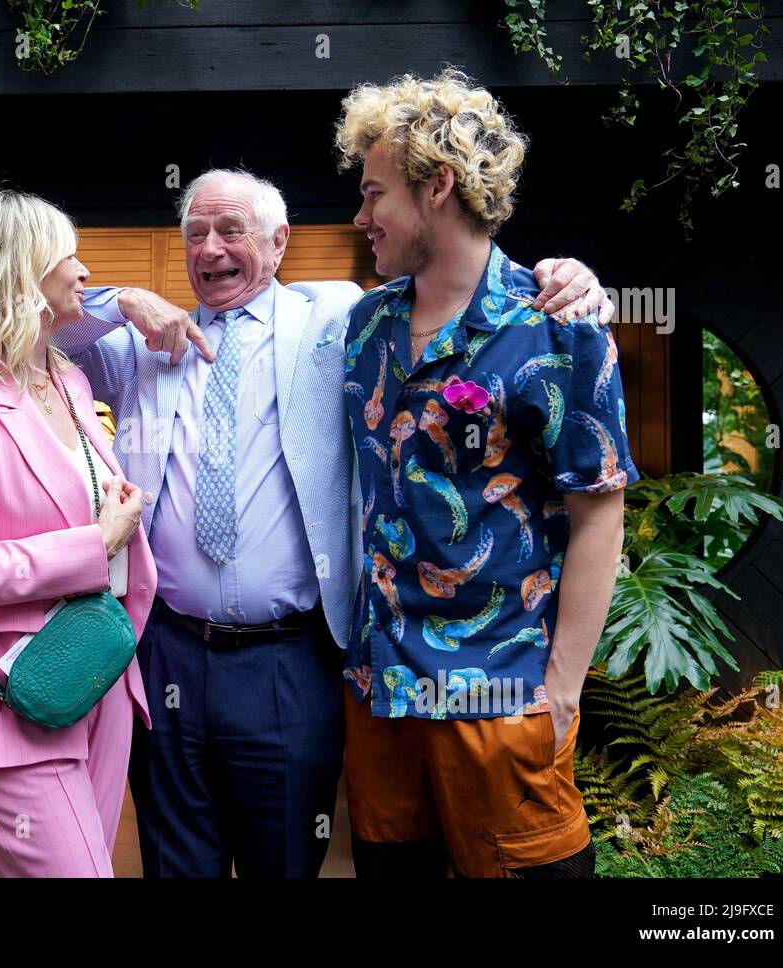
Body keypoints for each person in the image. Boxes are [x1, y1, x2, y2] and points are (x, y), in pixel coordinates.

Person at [57, 167, 612, 877]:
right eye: (195, 233)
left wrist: (565, 276)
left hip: (290, 658)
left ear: (280, 241)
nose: (209, 249)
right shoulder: (144, 345)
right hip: (165, 647)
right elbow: (45, 335)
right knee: (175, 861)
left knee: (286, 858)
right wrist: (121, 300)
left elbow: (455, 280)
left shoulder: (340, 318)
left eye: (231, 230)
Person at [335, 68, 635, 877]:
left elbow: (600, 512)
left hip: (499, 695)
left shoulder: (557, 332)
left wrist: (563, 688)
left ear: (438, 186)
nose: (360, 216)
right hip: (381, 696)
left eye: (374, 194)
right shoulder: (364, 325)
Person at [0, 185, 154, 877]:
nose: (84, 272)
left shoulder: (67, 380)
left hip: (95, 675)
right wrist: (96, 543)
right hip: (7, 696)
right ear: (18, 271)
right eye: (66, 256)